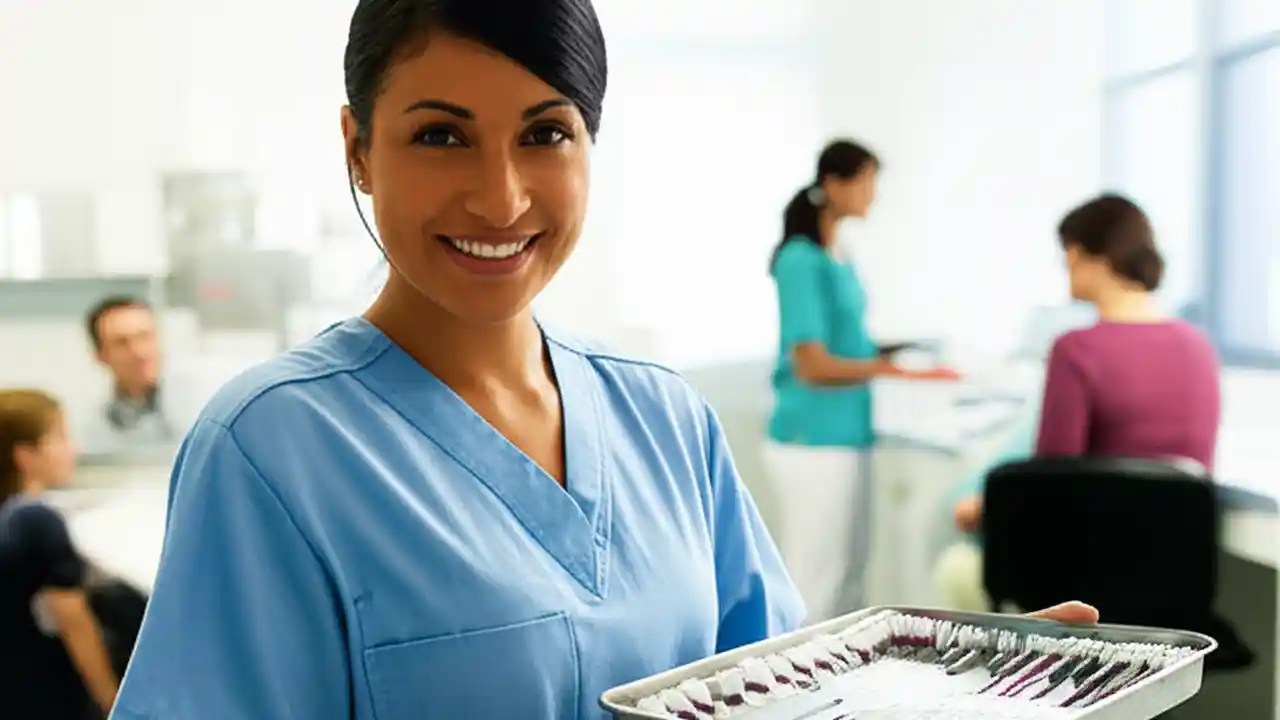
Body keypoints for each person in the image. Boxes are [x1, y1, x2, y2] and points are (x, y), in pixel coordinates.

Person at [111, 3, 1095, 718]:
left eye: (545, 133)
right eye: (440, 135)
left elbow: (778, 702)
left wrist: (950, 698)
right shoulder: (275, 447)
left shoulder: (661, 419)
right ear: (356, 148)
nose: (499, 199)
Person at [940, 194, 1221, 608]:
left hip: (1082, 581)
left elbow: (1049, 487)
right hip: (1173, 580)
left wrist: (985, 509)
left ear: (1084, 255)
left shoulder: (1077, 349)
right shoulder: (1199, 347)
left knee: (958, 567)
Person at [764, 140, 959, 622]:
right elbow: (812, 364)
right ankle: (800, 691)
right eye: (867, 181)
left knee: (850, 574)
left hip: (848, 434)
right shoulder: (800, 259)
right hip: (812, 439)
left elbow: (849, 343)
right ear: (834, 184)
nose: (873, 193)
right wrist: (894, 370)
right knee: (817, 582)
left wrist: (902, 355)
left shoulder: (840, 255)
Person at [0, 390, 119, 719]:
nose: (73, 449)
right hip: (41, 697)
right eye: (60, 437)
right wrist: (114, 703)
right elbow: (74, 624)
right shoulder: (35, 521)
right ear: (25, 455)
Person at [81, 297, 179, 453]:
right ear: (100, 356)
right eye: (121, 343)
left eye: (144, 337)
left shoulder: (205, 406)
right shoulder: (90, 428)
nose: (139, 352)